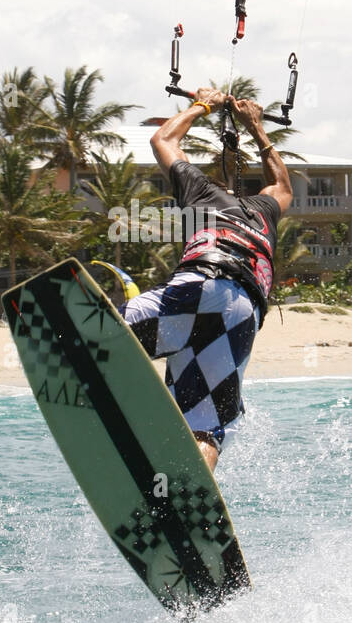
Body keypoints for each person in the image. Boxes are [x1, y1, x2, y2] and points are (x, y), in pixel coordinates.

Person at [123, 88, 292, 475]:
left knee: (102, 334)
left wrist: (203, 105)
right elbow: (282, 185)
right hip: (243, 313)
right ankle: (188, 499)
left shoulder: (201, 192)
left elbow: (163, 139)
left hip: (202, 286)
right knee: (203, 426)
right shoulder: (264, 210)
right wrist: (257, 127)